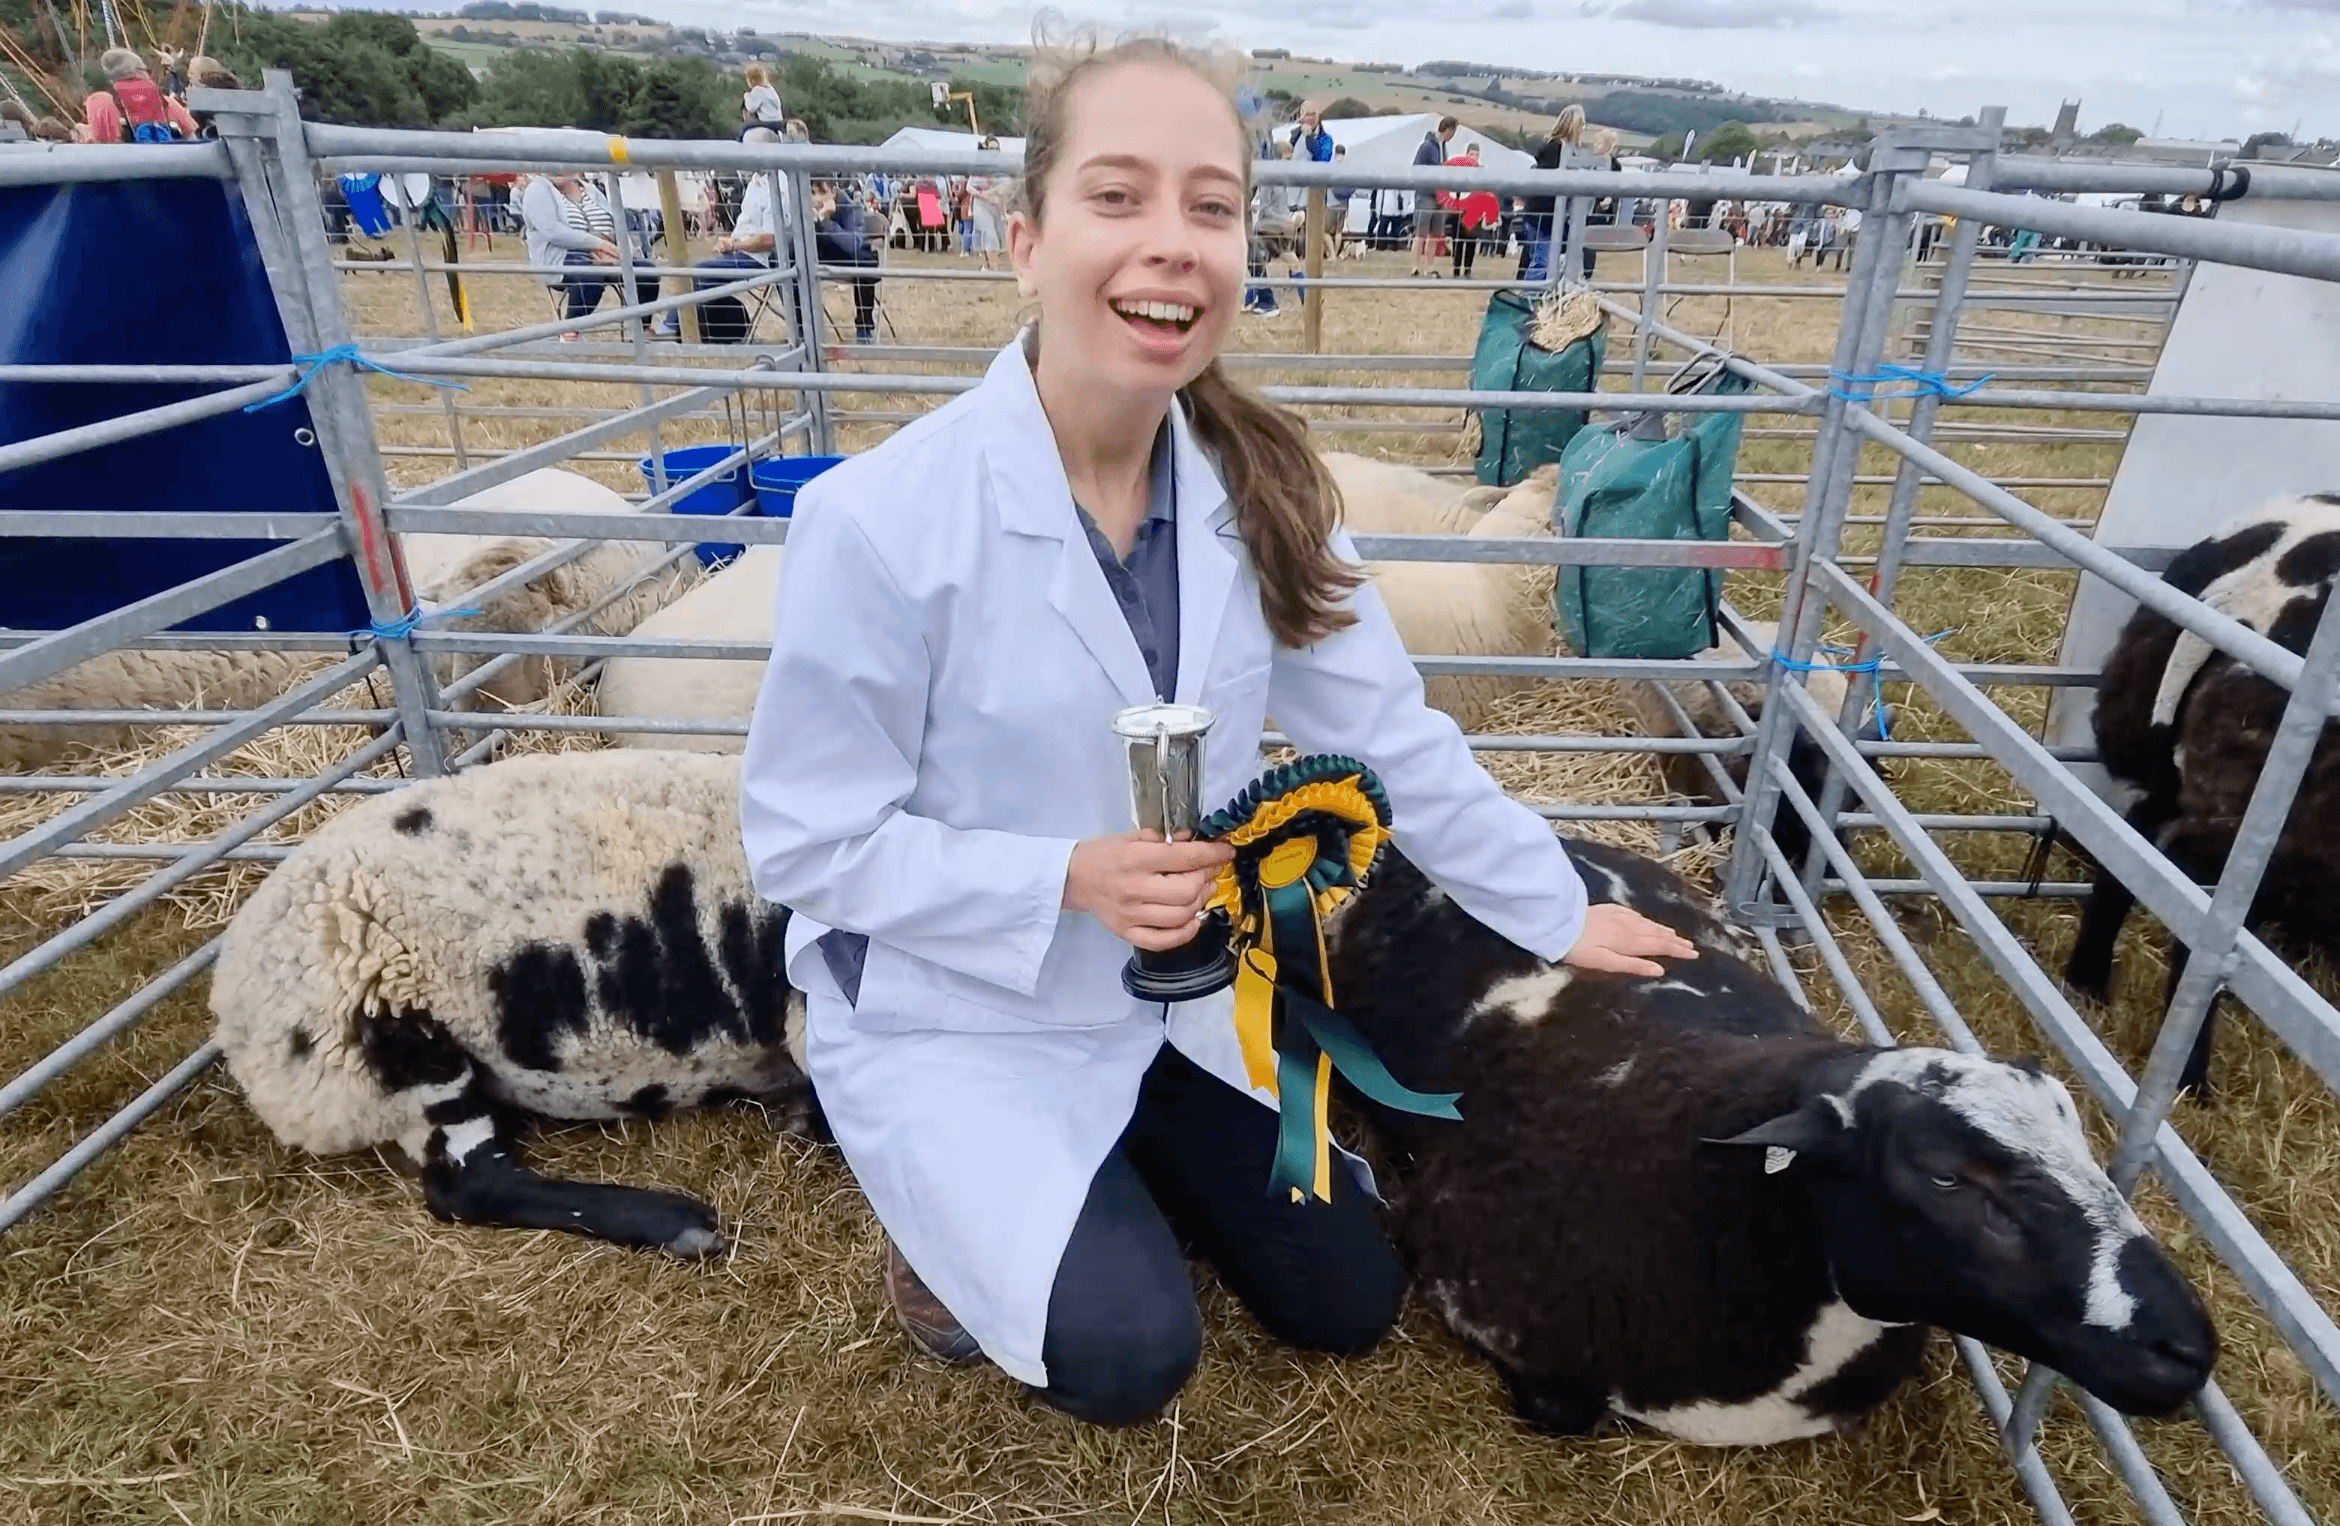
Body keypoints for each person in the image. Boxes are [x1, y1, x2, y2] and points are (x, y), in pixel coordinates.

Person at [739, 35, 1693, 1429]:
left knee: (1348, 1300)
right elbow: (806, 841)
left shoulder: (1266, 494)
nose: (1171, 245)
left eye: (1211, 205)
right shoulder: (881, 523)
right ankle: (938, 1239)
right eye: (1118, 198)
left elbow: (1393, 737)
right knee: (1129, 1354)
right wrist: (1065, 874)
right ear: (1025, 240)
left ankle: (1131, 1147)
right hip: (962, 1006)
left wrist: (1551, 905)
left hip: (1174, 991)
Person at [520, 171, 656, 338]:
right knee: (590, 276)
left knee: (647, 272)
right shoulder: (537, 189)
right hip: (563, 258)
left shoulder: (590, 189)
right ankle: (570, 330)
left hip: (607, 254)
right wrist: (597, 244)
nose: (557, 167)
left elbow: (616, 221)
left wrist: (617, 249)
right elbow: (553, 231)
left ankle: (641, 330)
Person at [1518, 103, 1583, 282]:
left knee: (1544, 260)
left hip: (1547, 215)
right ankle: (1529, 298)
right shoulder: (1556, 150)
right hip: (1543, 215)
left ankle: (1533, 296)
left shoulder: (1557, 149)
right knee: (1541, 261)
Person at [80, 47, 197, 143]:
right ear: (138, 71)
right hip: (169, 166)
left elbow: (101, 143)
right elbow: (193, 140)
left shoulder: (100, 102)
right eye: (145, 69)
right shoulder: (168, 103)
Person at [1409, 115, 1456, 277]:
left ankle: (1429, 267)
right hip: (1426, 195)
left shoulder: (1444, 149)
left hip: (1439, 196)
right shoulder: (1427, 147)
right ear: (1448, 130)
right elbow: (1416, 168)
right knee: (1421, 234)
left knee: (1435, 235)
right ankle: (1414, 267)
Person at [1443, 142, 1497, 280]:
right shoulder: (1459, 170)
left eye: (1477, 155)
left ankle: (1467, 269)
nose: (1474, 157)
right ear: (1466, 155)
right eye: (1472, 154)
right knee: (1458, 241)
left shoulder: (1481, 171)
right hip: (1460, 208)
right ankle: (1456, 269)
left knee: (1471, 242)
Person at [968, 137, 1010, 272]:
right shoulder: (979, 168)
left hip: (996, 206)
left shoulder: (1001, 167)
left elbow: (1006, 185)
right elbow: (969, 187)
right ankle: (994, 269)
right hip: (981, 205)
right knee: (989, 234)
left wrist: (992, 193)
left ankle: (988, 265)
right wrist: (982, 194)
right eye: (991, 148)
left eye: (996, 148)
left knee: (997, 236)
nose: (994, 151)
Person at [740, 62, 784, 137]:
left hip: (767, 122)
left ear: (752, 80)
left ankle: (740, 142)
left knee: (745, 126)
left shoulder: (757, 90)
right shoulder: (770, 88)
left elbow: (751, 108)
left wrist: (746, 96)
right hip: (779, 122)